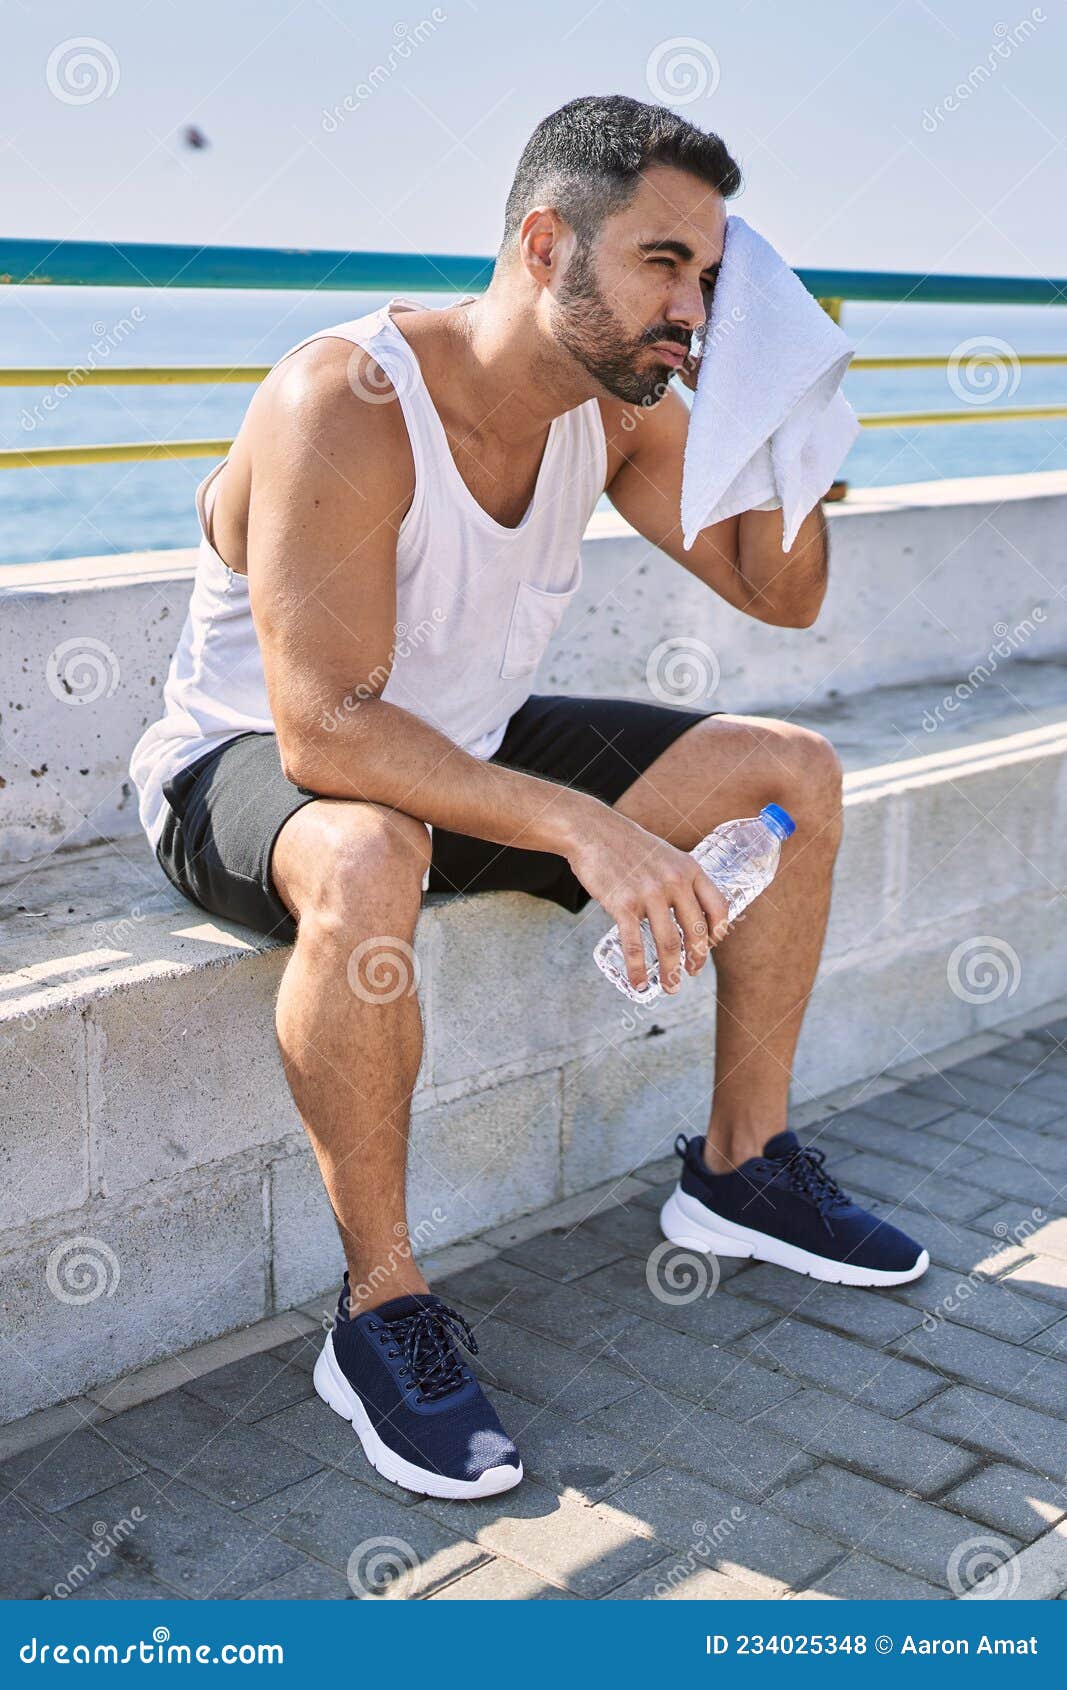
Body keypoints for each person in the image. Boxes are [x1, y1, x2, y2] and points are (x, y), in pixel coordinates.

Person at [130, 94, 927, 1502]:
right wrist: (583, 823)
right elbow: (324, 730)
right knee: (375, 848)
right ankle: (381, 1309)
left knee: (789, 770)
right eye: (663, 266)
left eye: (712, 280)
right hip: (256, 769)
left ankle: (741, 1168)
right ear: (545, 242)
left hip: (461, 751)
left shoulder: (613, 420)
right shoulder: (348, 396)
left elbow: (780, 593)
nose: (691, 312)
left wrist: (792, 411)